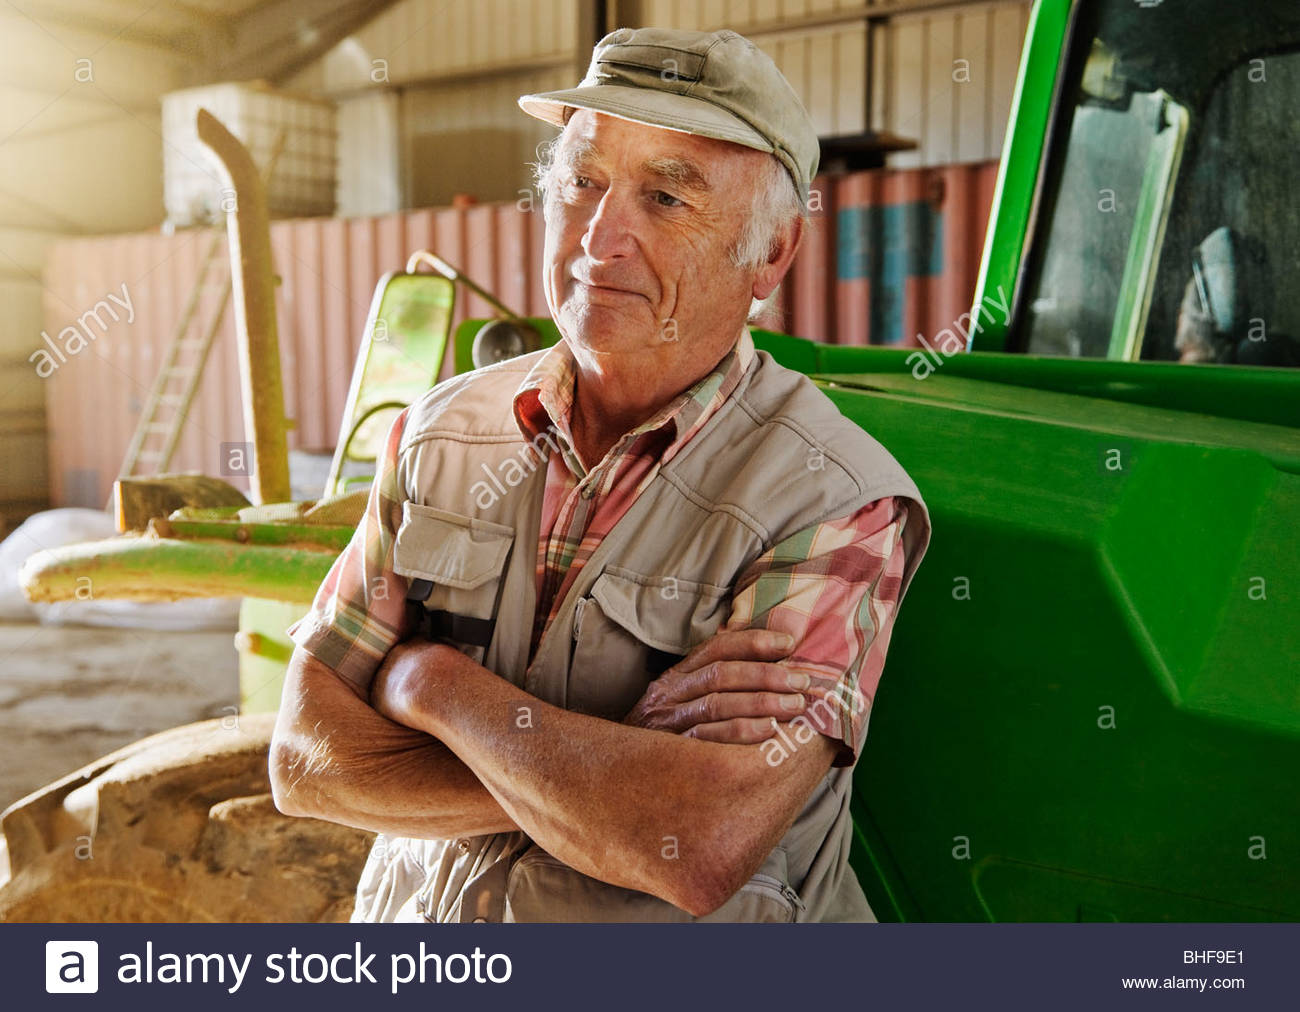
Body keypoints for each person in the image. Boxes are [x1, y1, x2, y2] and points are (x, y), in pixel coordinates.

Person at [270, 26, 931, 923]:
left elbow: (697, 843)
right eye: (581, 183)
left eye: (665, 197)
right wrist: (611, 764)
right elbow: (305, 762)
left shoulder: (835, 502)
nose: (599, 236)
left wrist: (430, 686)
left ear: (771, 254)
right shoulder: (438, 434)